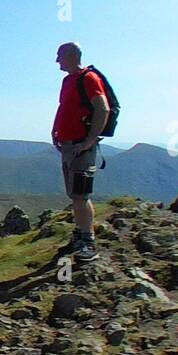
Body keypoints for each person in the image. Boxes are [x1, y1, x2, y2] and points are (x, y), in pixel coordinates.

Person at [51, 43, 111, 259]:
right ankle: (79, 234)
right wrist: (55, 130)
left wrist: (89, 140)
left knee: (81, 194)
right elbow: (63, 107)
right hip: (68, 145)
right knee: (74, 194)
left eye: (59, 56)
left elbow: (102, 108)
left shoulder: (88, 78)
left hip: (79, 146)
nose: (57, 60)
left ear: (71, 55)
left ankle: (88, 242)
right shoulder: (68, 80)